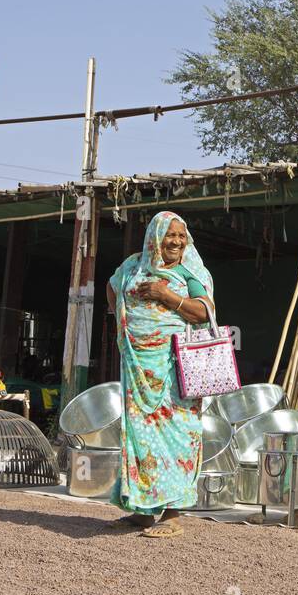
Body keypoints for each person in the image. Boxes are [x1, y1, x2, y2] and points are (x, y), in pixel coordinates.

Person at [104, 211, 216, 538]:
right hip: (138, 367)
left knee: (178, 434)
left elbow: (204, 310)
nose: (177, 242)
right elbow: (112, 289)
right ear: (155, 237)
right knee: (140, 437)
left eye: (182, 236)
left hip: (173, 368)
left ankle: (172, 513)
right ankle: (142, 511)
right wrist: (124, 324)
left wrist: (165, 295)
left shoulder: (190, 270)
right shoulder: (133, 266)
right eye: (170, 236)